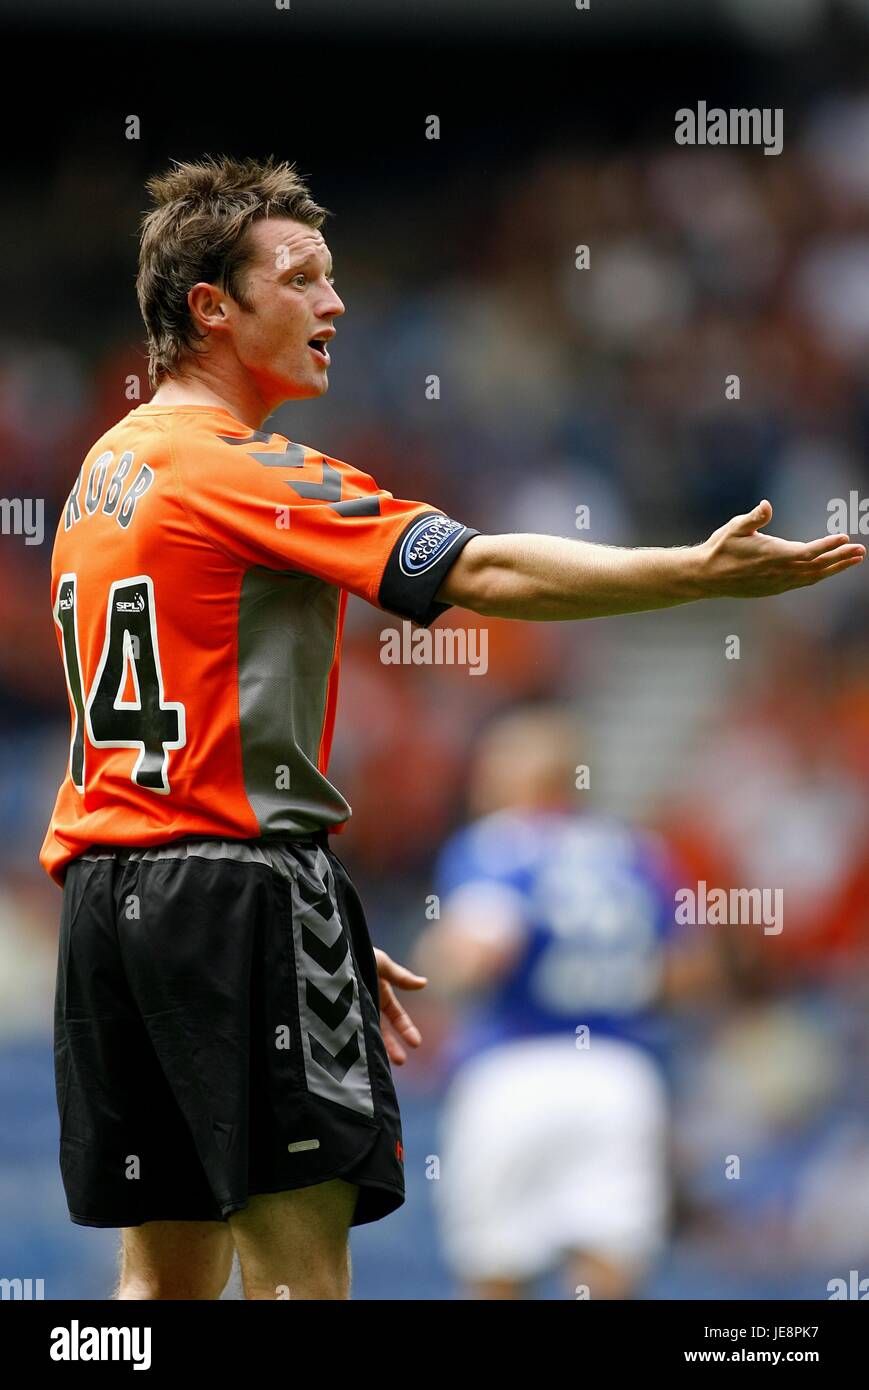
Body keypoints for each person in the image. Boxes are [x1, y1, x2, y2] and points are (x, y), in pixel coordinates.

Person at [40, 155, 864, 1301]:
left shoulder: (101, 472)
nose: (334, 304)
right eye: (301, 278)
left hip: (111, 902)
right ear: (212, 307)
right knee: (296, 1279)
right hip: (234, 886)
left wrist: (285, 923)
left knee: (157, 1290)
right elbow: (478, 570)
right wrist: (689, 571)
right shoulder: (235, 467)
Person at [418, 705, 719, 1299]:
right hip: (618, 1074)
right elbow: (694, 971)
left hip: (514, 1071)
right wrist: (614, 979)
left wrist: (432, 969)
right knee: (608, 1270)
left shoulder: (496, 847)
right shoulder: (637, 852)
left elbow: (477, 951)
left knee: (495, 1274)